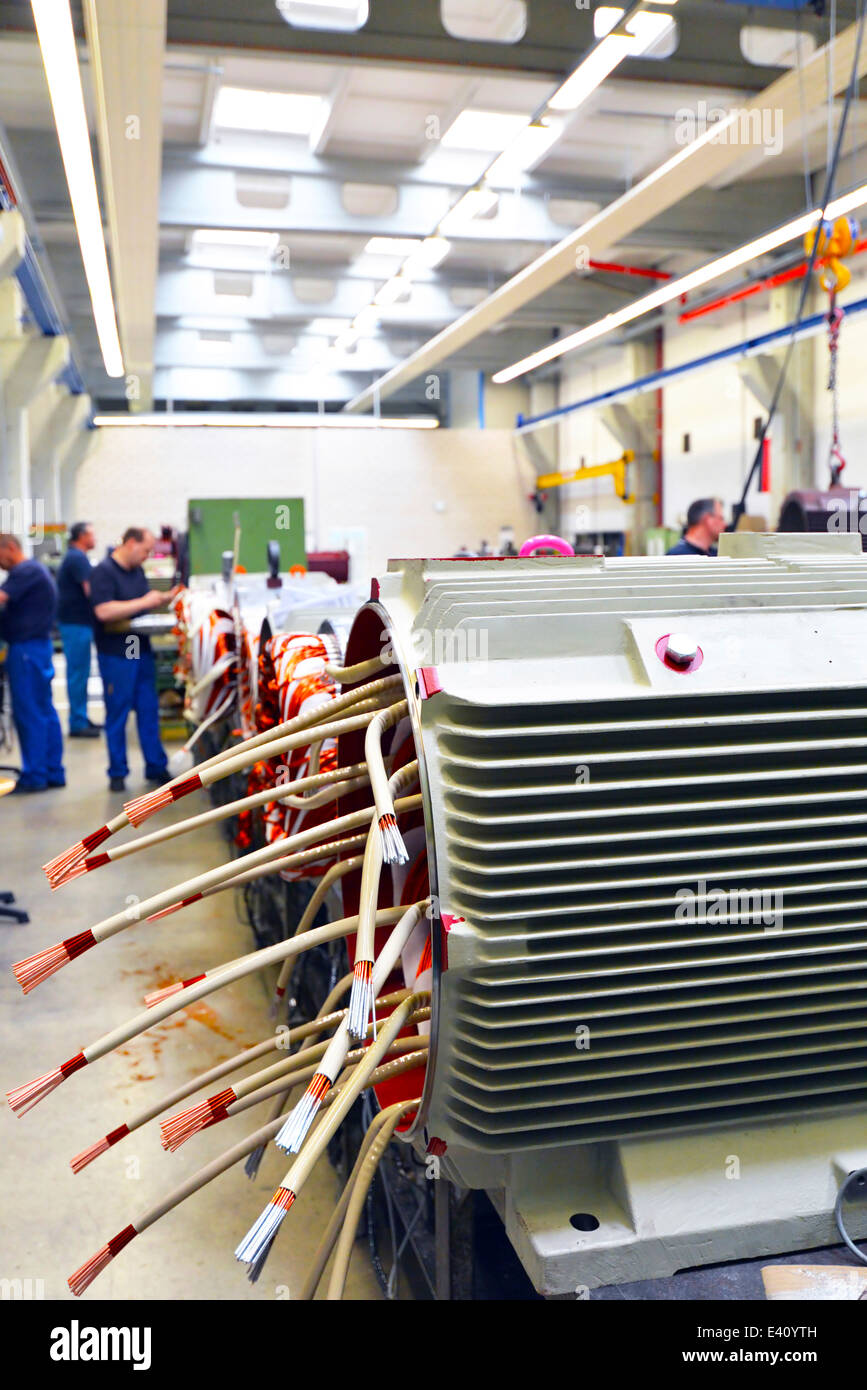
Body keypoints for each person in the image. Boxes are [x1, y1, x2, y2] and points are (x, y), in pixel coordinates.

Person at [90, 527, 180, 793]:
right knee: (117, 712)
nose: (147, 556)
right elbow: (104, 611)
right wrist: (144, 601)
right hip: (117, 652)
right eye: (145, 550)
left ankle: (156, 766)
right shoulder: (103, 572)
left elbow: (141, 605)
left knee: (148, 709)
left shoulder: (136, 572)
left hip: (139, 648)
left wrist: (165, 598)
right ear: (130, 543)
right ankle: (117, 772)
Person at [0, 534, 65, 793]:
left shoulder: (25, 570)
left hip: (26, 650)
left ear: (11, 548)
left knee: (30, 713)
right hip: (37, 647)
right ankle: (52, 771)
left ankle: (35, 775)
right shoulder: (35, 570)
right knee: (43, 709)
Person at [57, 521, 100, 738]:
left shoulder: (76, 557)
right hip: (76, 624)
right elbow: (91, 590)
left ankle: (80, 717)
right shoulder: (77, 557)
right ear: (81, 536)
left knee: (80, 672)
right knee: (77, 673)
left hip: (77, 623)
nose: (95, 539)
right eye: (92, 535)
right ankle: (77, 722)